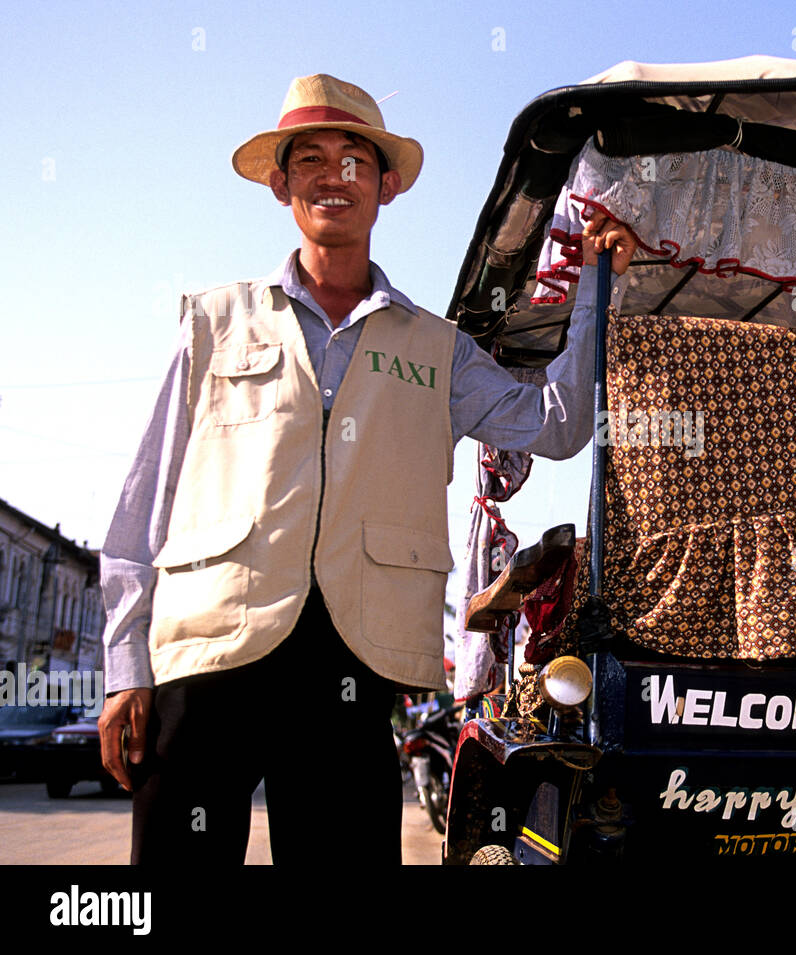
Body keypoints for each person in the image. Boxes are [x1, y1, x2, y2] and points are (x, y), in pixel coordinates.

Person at [96, 74, 633, 864]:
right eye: (309, 158)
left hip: (349, 669)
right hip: (207, 655)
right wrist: (123, 666)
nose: (332, 176)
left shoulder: (435, 347)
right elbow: (146, 501)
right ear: (281, 186)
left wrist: (595, 286)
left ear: (385, 187)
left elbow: (553, 424)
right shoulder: (214, 323)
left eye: (354, 160)